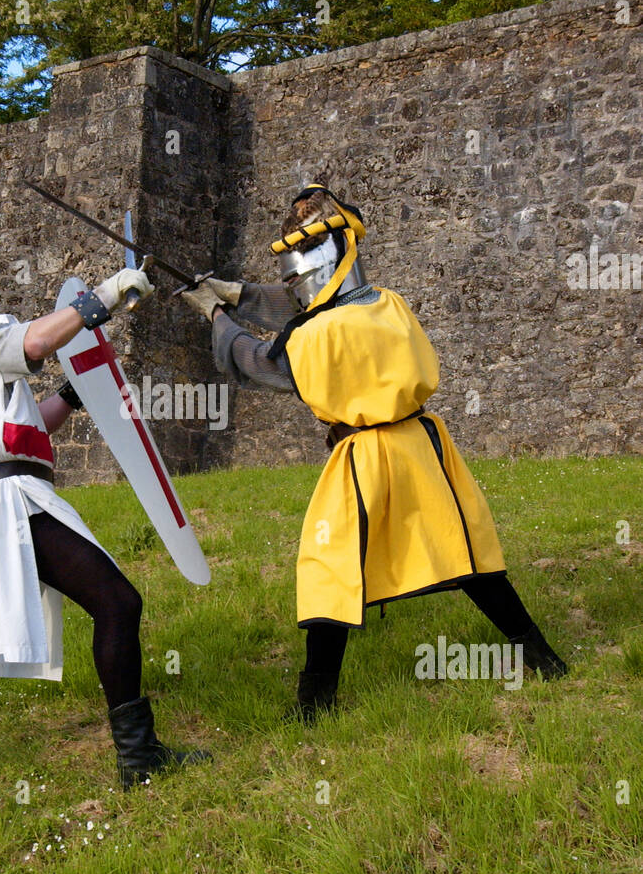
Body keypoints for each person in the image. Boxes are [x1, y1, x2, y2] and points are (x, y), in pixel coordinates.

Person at [180, 181, 566, 720]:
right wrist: (236, 293)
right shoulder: (389, 305)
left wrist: (215, 316)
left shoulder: (318, 334)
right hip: (424, 447)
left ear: (328, 250)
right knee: (468, 557)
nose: (294, 275)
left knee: (329, 571)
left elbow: (263, 359)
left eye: (300, 257)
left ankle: (314, 705)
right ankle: (545, 660)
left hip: (364, 457)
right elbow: (304, 307)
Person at [0, 258, 209, 789]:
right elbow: (33, 342)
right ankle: (138, 757)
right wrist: (100, 299)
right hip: (8, 505)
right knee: (117, 603)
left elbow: (25, 423)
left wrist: (73, 393)